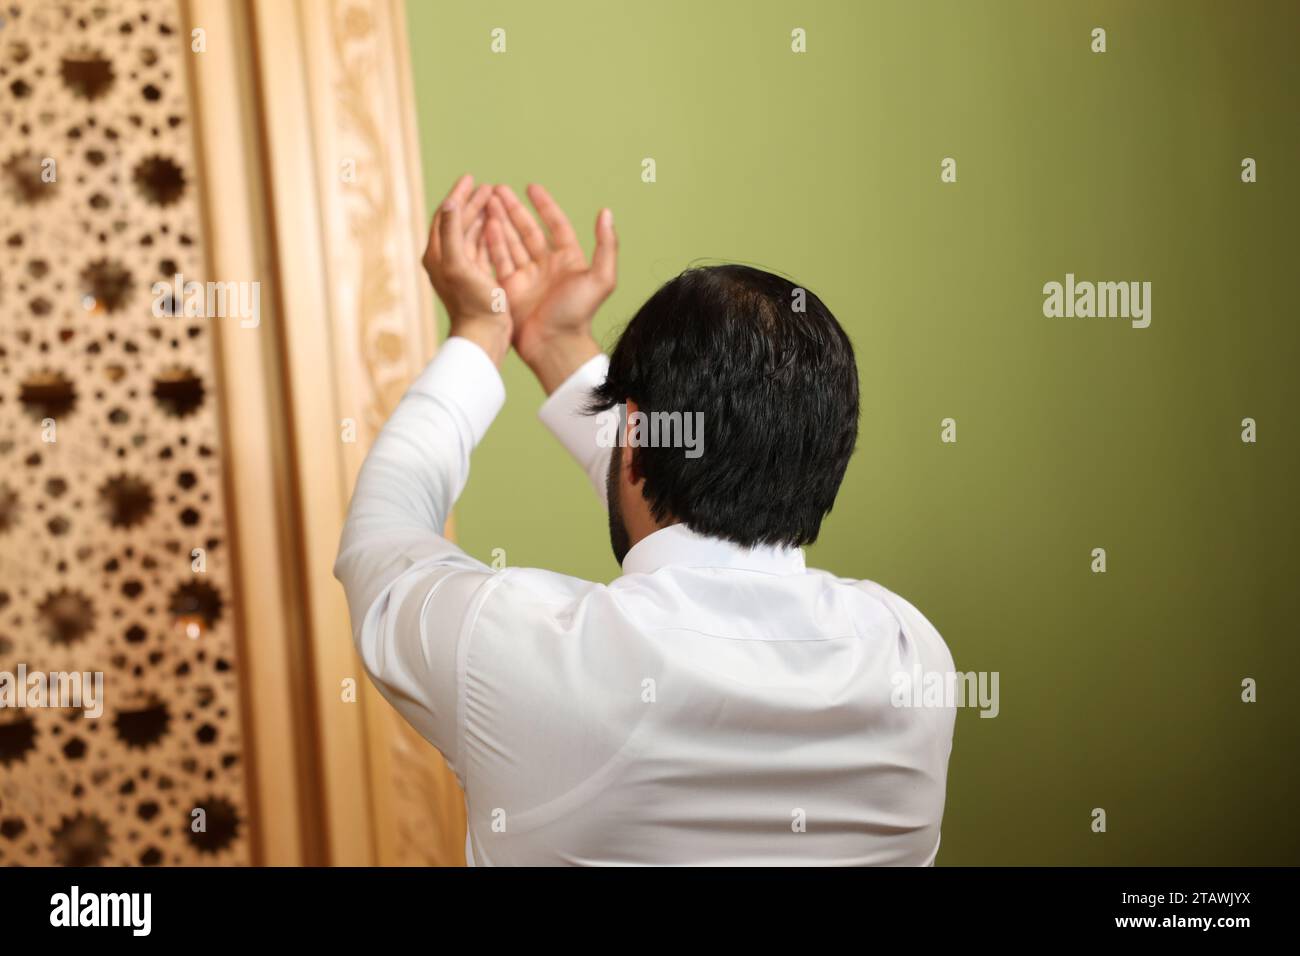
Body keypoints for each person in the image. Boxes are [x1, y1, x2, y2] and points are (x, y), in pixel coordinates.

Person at [333, 174, 956, 865]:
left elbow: (381, 539)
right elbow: (681, 479)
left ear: (632, 439)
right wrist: (555, 342)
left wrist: (480, 331)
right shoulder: (911, 659)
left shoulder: (520, 656)